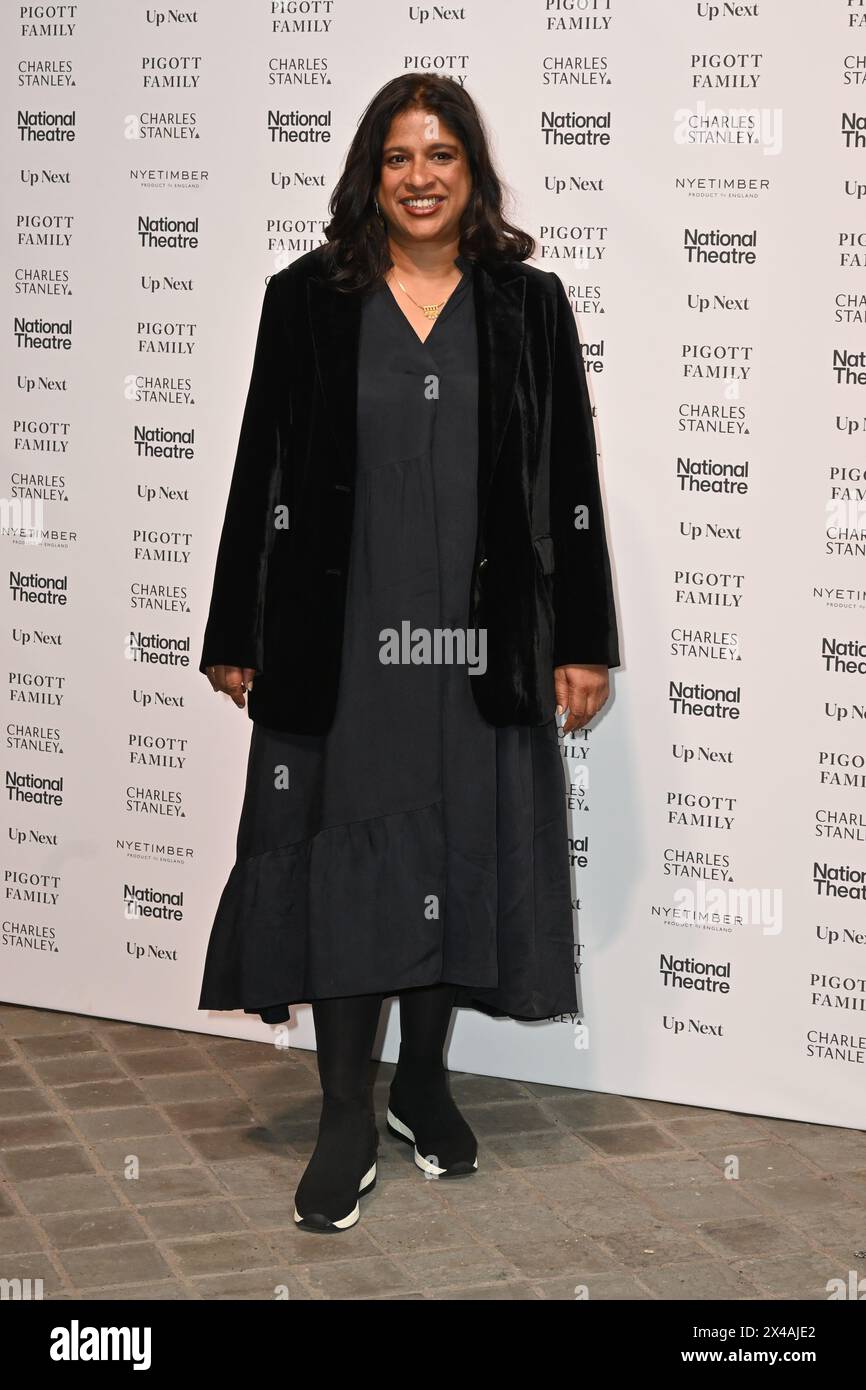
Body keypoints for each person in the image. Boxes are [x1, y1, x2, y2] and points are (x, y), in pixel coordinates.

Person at [197, 73, 620, 1233]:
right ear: (367, 174)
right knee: (348, 862)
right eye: (397, 156)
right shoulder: (307, 299)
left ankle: (422, 1083)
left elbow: (566, 489)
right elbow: (258, 473)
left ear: (472, 172)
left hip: (477, 644)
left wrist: (581, 640)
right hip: (341, 641)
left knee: (454, 841)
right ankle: (345, 1108)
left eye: (440, 155)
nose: (420, 176)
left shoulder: (528, 306)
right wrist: (236, 625)